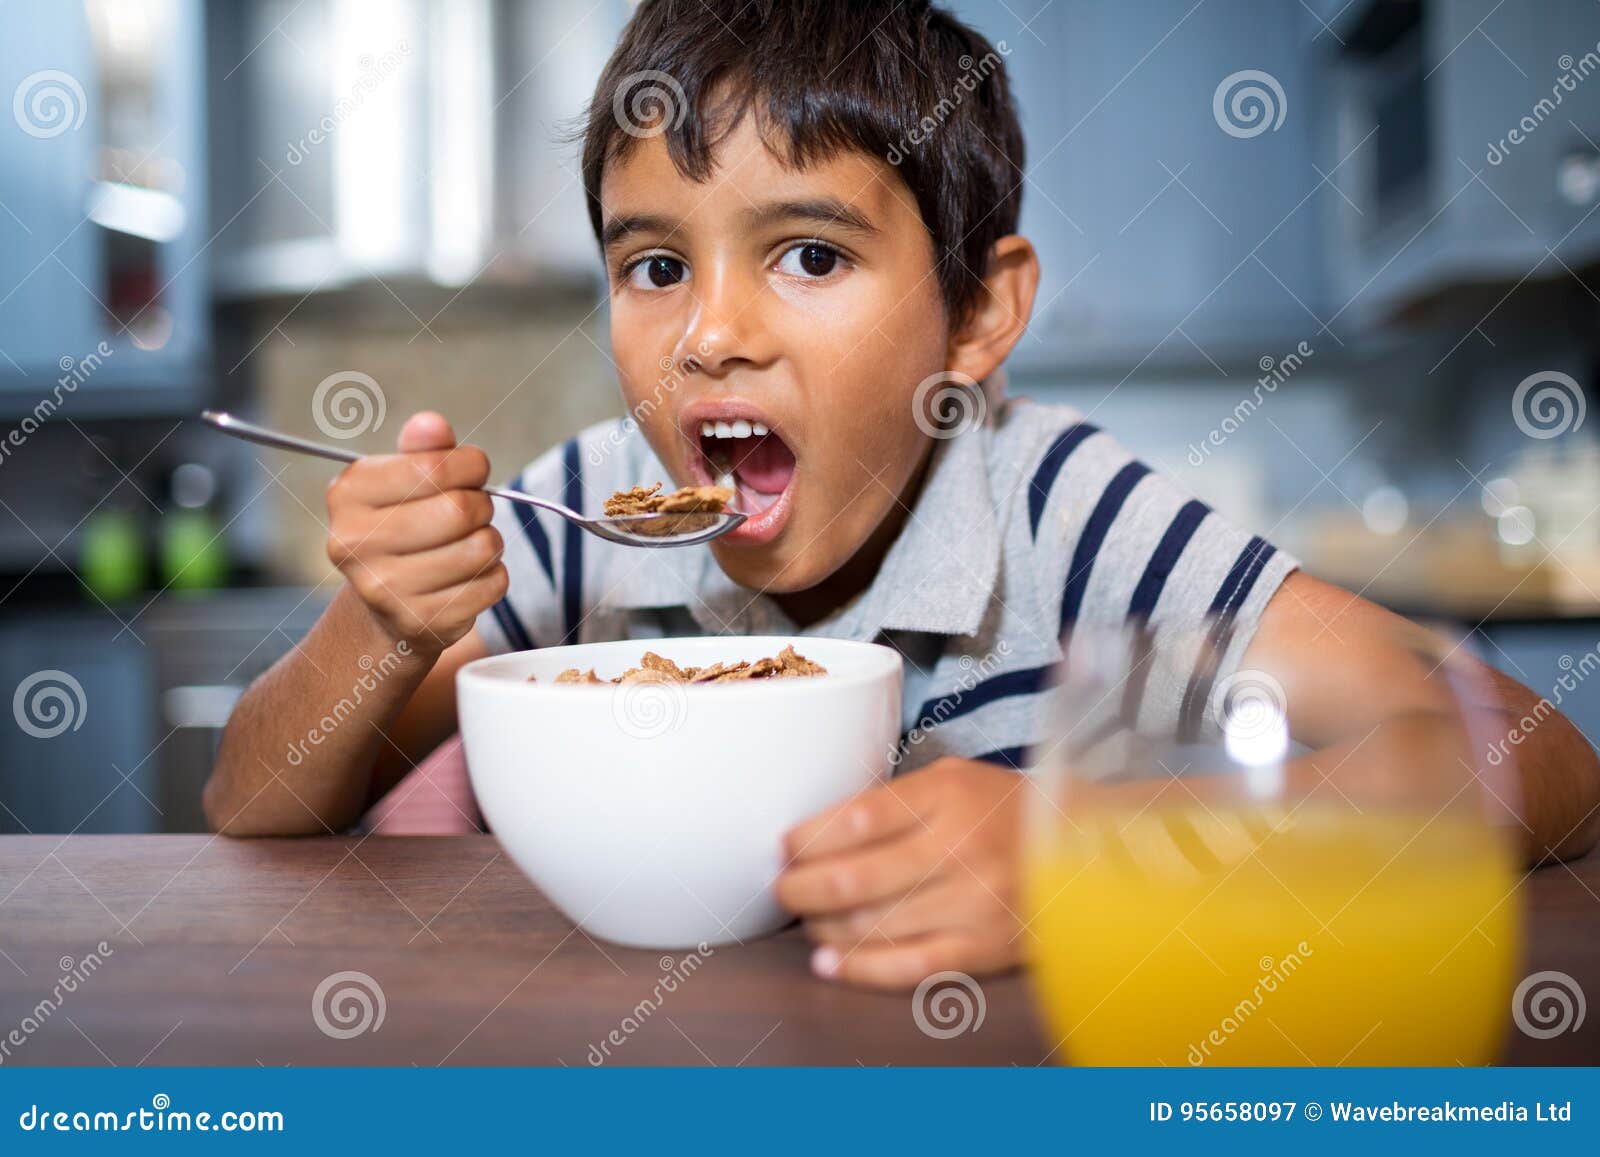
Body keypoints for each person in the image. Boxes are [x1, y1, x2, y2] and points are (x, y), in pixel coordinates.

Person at [205, 0, 1600, 990]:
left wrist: (1085, 855)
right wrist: (375, 632)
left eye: (808, 255)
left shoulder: (1055, 512)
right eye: (653, 266)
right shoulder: (592, 514)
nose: (708, 335)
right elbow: (252, 804)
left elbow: (1531, 754)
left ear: (977, 315)